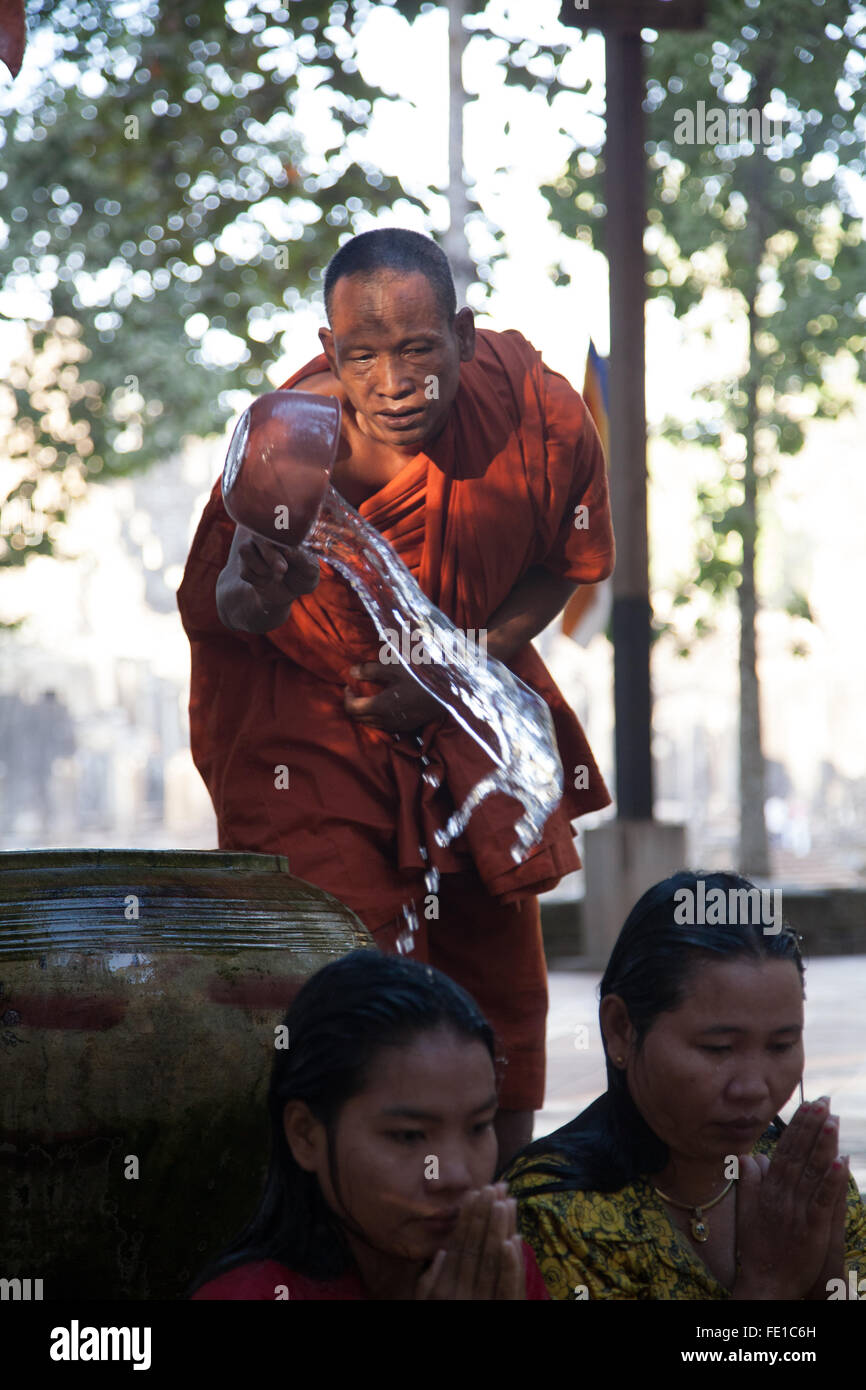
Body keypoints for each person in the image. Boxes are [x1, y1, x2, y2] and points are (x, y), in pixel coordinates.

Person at [177, 227, 615, 1163]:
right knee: (346, 991)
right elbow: (227, 601)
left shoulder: (535, 414)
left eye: (419, 349)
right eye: (362, 355)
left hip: (465, 725)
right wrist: (265, 589)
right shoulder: (285, 444)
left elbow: (559, 567)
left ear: (461, 332)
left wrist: (459, 665)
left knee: (494, 987)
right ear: (329, 350)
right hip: (315, 735)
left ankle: (490, 1221)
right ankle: (336, 1234)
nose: (394, 384)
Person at [505, 871, 866, 1300]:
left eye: (782, 1044)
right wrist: (770, 1285)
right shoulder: (552, 1209)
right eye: (718, 1048)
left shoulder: (804, 1180)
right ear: (620, 1029)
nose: (753, 1088)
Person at [190, 950, 548, 1300]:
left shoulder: (497, 1270)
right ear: (305, 1135)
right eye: (409, 1135)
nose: (455, 1175)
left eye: (479, 1126)